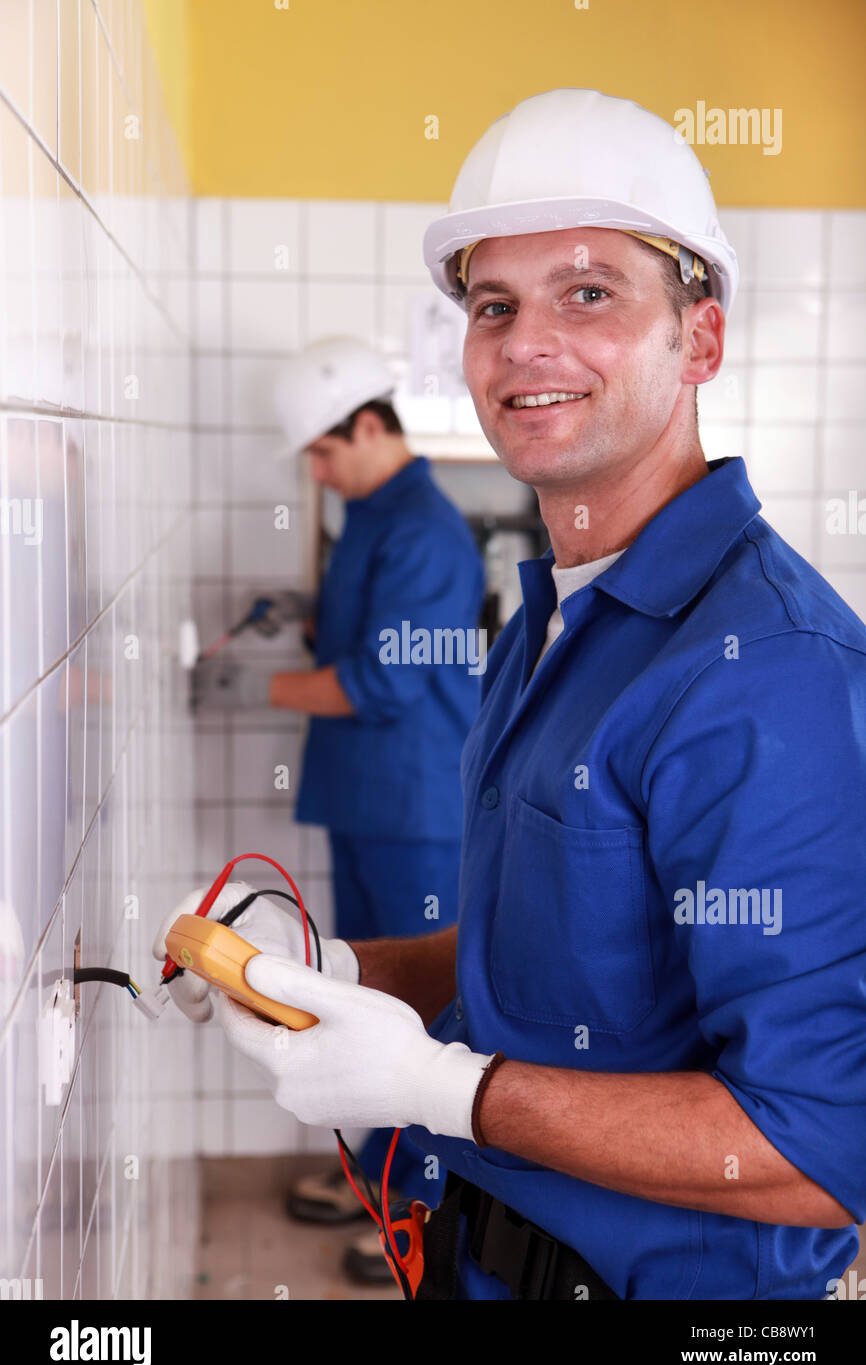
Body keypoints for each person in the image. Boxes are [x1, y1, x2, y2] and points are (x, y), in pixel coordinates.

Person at [180, 91, 866, 1300]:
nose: (524, 342)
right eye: (493, 305)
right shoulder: (553, 614)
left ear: (699, 340)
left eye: (588, 292)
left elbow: (823, 1152)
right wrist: (342, 970)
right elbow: (563, 944)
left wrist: (446, 1090)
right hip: (478, 1254)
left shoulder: (770, 670)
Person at [160, 338, 485, 1284]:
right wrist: (301, 615)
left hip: (415, 805)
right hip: (373, 799)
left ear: (373, 424)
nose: (316, 468)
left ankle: (419, 1202)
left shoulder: (421, 527)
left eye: (324, 450)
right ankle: (380, 1174)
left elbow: (381, 682)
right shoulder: (375, 517)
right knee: (364, 991)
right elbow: (364, 637)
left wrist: (241, 686)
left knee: (422, 1007)